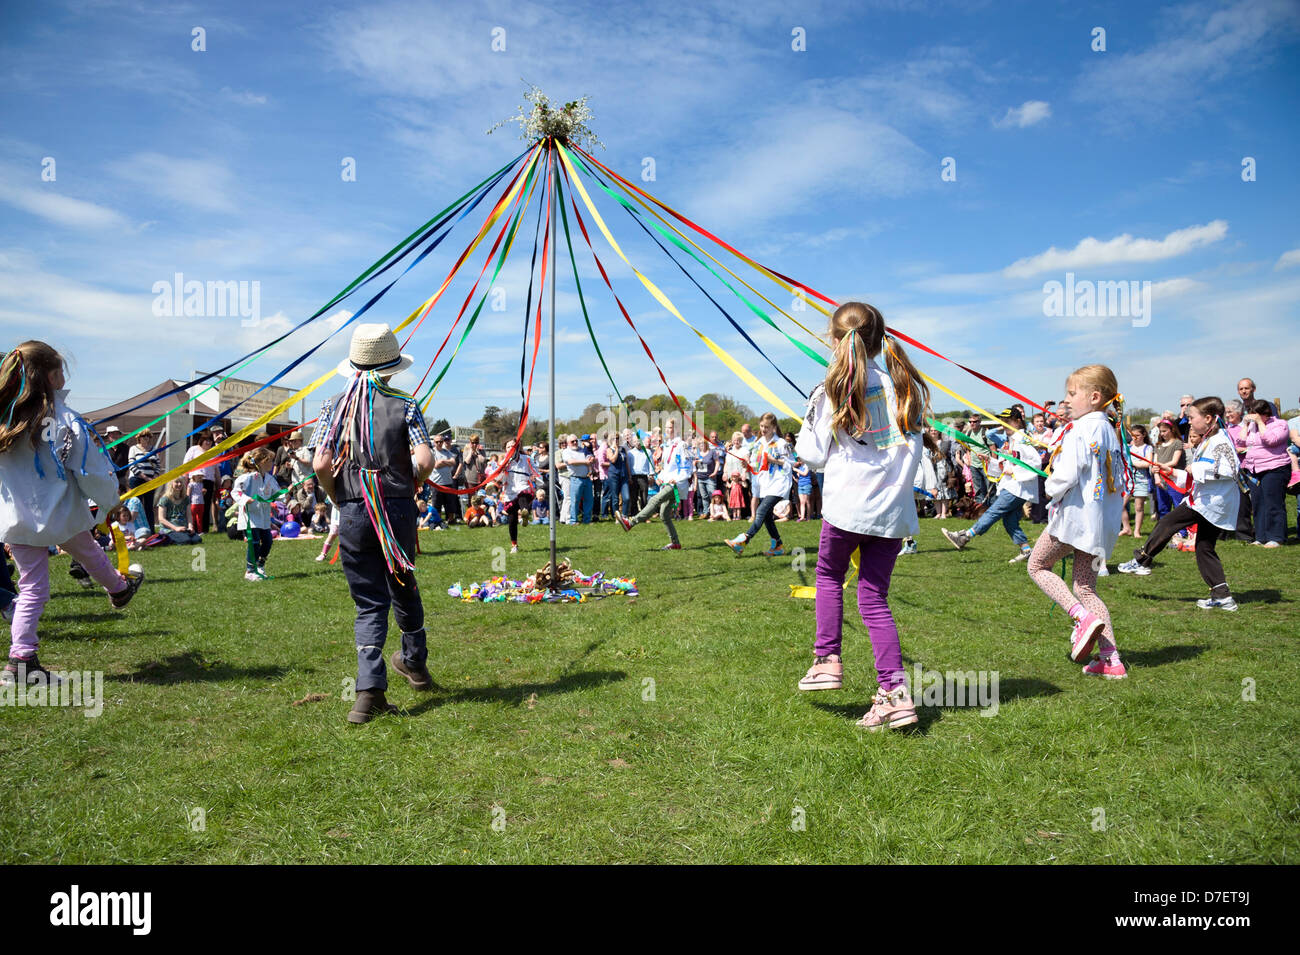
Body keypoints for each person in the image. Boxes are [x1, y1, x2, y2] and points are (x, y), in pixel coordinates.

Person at [791, 302, 930, 730]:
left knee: (829, 576)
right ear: (880, 338)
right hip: (892, 513)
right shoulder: (906, 386)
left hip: (848, 506)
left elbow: (810, 454)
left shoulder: (830, 389)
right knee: (873, 598)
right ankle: (895, 693)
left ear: (835, 340)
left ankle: (827, 660)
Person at [311, 323, 435, 724]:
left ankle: (368, 693)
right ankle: (414, 661)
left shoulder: (333, 406)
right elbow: (427, 460)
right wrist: (409, 484)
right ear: (392, 366)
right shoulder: (406, 404)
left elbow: (320, 463)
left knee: (368, 602)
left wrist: (336, 495)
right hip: (396, 509)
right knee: (403, 583)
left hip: (352, 510)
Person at [0, 341, 144, 686]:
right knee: (81, 551)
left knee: (34, 586)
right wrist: (112, 501)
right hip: (60, 516)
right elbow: (91, 471)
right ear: (52, 376)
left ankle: (21, 658)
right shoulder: (64, 420)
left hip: (17, 521)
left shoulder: (4, 419)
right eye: (62, 370)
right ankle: (117, 589)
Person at [1027, 364, 1127, 679]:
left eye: (1072, 393)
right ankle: (1111, 660)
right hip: (1101, 525)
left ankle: (1079, 618)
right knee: (1085, 586)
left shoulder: (1081, 429)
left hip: (1075, 521)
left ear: (1095, 397)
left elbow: (1067, 474)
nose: (1067, 400)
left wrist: (1050, 488)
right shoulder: (1110, 431)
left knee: (1037, 566)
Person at [1119, 397, 1240, 610]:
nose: (1190, 422)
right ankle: (1222, 595)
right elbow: (1197, 476)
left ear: (1209, 418)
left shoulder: (1221, 441)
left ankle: (1141, 559)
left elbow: (1232, 470)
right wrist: (1172, 472)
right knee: (1204, 547)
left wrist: (1197, 469)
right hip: (1206, 500)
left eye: (1193, 418)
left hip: (1210, 503)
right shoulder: (1208, 440)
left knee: (1169, 522)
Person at [942, 408, 1040, 563]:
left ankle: (965, 536)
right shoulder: (1012, 440)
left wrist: (1014, 470)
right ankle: (1027, 550)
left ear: (1018, 421)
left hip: (1019, 486)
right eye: (1002, 421)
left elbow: (1036, 463)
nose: (1004, 424)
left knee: (994, 510)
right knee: (1010, 521)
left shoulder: (1022, 439)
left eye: (1008, 421)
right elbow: (1007, 462)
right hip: (1013, 486)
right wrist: (990, 461)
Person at [724, 412, 792, 557]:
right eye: (761, 426)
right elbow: (755, 464)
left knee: (760, 512)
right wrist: (747, 463)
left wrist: (776, 461)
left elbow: (790, 464)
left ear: (773, 427)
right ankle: (778, 545)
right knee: (767, 517)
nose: (763, 429)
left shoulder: (781, 443)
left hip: (779, 484)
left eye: (766, 427)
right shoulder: (759, 443)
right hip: (764, 484)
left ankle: (743, 541)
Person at [615, 438, 691, 550]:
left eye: (670, 428)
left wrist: (677, 479)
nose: (668, 430)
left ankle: (631, 523)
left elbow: (687, 467)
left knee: (654, 500)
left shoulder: (682, 445)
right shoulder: (668, 446)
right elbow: (668, 468)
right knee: (664, 514)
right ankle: (675, 543)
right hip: (668, 482)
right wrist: (660, 477)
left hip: (677, 484)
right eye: (667, 428)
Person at [1237, 399, 1289, 547]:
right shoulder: (1251, 426)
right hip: (1254, 469)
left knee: (1273, 502)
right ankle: (1261, 536)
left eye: (1256, 414)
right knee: (1258, 503)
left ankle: (1276, 536)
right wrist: (1246, 425)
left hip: (1275, 468)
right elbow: (1241, 442)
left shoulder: (1280, 424)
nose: (1253, 417)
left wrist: (1260, 423)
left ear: (1265, 413)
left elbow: (1271, 440)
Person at [232, 449, 278, 581]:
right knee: (254, 542)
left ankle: (260, 566)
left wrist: (285, 494)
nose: (273, 463)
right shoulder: (246, 477)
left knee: (268, 541)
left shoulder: (269, 478)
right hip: (250, 516)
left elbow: (277, 493)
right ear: (262, 462)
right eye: (271, 460)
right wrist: (246, 499)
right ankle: (250, 571)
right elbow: (236, 492)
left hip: (263, 516)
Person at [501, 438, 540, 554]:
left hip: (524, 487)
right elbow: (498, 478)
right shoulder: (504, 461)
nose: (511, 448)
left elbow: (536, 471)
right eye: (508, 447)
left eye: (513, 446)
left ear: (518, 447)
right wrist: (502, 470)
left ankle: (524, 513)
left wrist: (536, 478)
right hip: (510, 492)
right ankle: (514, 545)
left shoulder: (527, 459)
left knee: (523, 495)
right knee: (512, 519)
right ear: (505, 449)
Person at [126, 429, 162, 533]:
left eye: (148, 436)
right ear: (139, 438)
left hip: (150, 481)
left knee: (149, 506)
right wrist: (144, 477)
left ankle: (151, 531)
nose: (146, 438)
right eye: (144, 436)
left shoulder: (153, 449)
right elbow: (131, 465)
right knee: (136, 505)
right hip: (137, 480)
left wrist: (154, 477)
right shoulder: (133, 448)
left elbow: (158, 465)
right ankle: (133, 530)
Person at [1123, 424, 1154, 538]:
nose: (1134, 438)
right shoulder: (1129, 448)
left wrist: (1134, 463)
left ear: (1143, 435)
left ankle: (1137, 531)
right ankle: (1127, 528)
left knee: (1139, 507)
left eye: (1137, 435)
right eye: (1132, 436)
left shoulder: (1147, 448)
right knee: (1121, 505)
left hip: (1142, 481)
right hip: (1128, 481)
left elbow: (1147, 463)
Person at [1151, 418, 1186, 519]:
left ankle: (1181, 532)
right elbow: (1155, 463)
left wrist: (1160, 467)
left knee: (1177, 506)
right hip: (1161, 480)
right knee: (1163, 508)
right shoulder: (1158, 445)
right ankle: (1165, 531)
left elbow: (1174, 462)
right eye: (1160, 431)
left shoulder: (1177, 443)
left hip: (1173, 479)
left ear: (1172, 430)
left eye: (1164, 431)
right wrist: (1157, 477)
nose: (1162, 434)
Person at [562, 434, 596, 524]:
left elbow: (591, 458)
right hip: (575, 479)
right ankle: (573, 520)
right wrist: (585, 462)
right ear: (568, 443)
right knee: (575, 501)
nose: (575, 442)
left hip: (587, 478)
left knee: (588, 500)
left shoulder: (582, 450)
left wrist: (592, 459)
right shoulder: (566, 452)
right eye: (572, 441)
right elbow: (571, 462)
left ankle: (587, 520)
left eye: (576, 440)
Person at [430, 433, 463, 525]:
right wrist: (445, 462)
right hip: (436, 483)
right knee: (437, 504)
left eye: (441, 441)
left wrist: (442, 461)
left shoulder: (446, 452)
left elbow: (453, 462)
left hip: (448, 482)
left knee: (450, 503)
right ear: (434, 442)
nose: (439, 443)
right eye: (437, 442)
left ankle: (451, 520)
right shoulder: (432, 452)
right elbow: (435, 465)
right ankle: (438, 521)